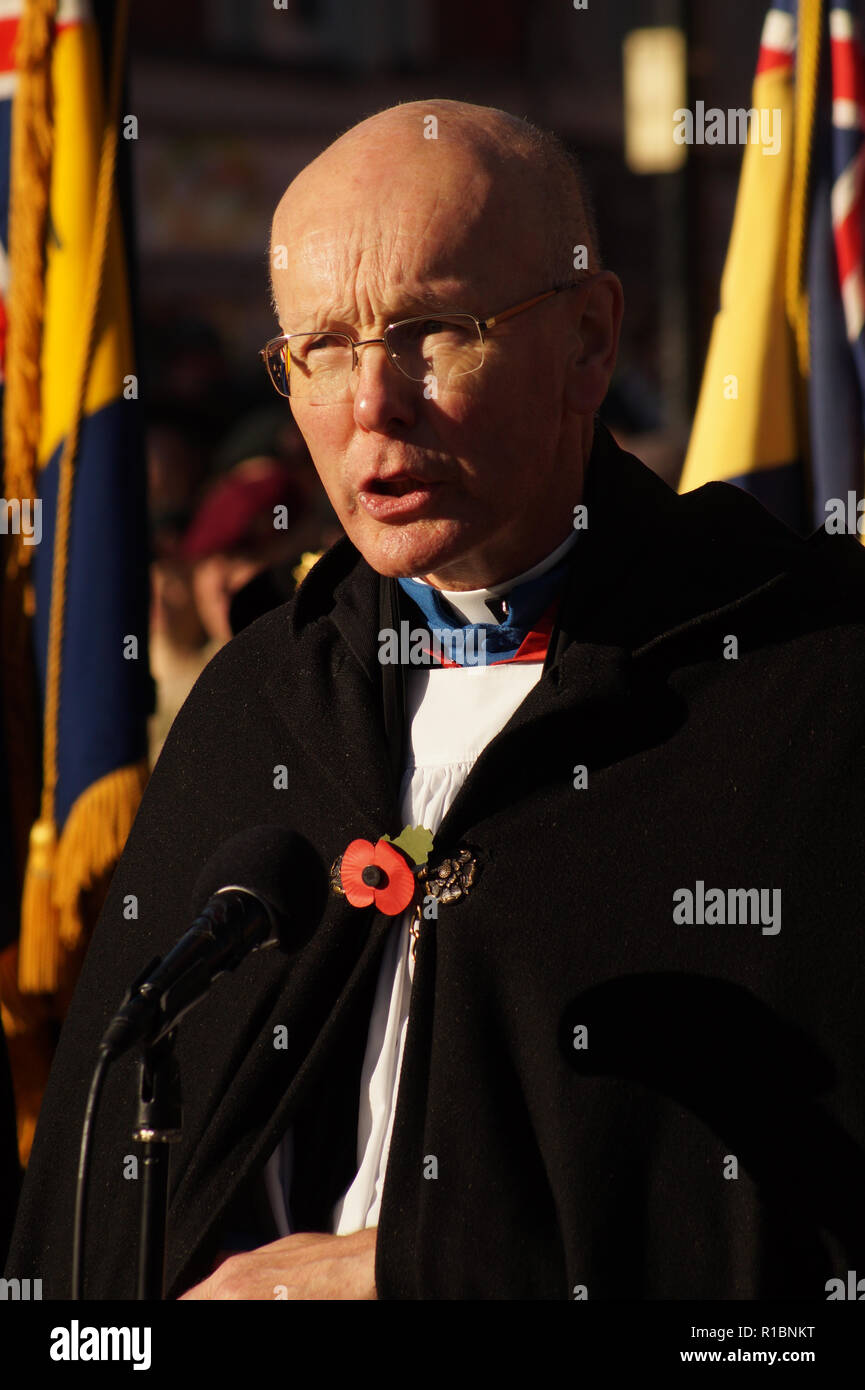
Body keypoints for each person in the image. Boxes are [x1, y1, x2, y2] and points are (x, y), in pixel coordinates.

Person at [7, 98, 865, 1301]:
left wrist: (417, 1271)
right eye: (321, 349)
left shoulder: (802, 679)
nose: (373, 405)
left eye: (431, 330)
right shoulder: (260, 698)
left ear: (589, 338)